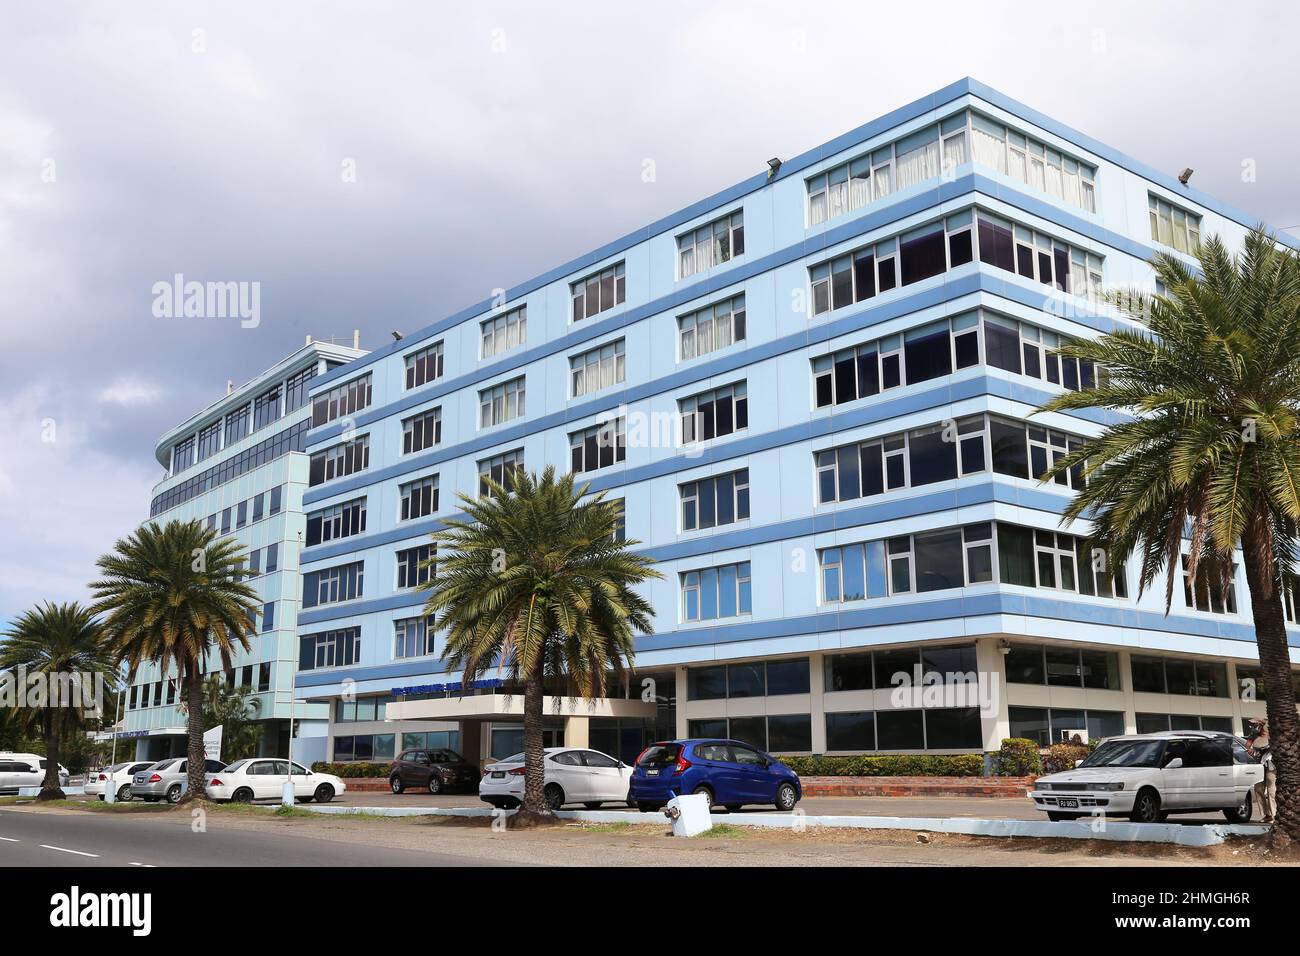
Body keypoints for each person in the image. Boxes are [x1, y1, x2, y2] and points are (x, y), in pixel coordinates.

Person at [1246, 718, 1276, 824]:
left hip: (1271, 764)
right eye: (1251, 725)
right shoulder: (1254, 735)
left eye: (1254, 725)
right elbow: (1248, 746)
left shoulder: (1270, 735)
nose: (1252, 727)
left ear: (1261, 725)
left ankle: (1274, 815)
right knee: (1258, 789)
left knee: (1271, 790)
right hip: (1260, 765)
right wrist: (1250, 750)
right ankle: (1266, 815)